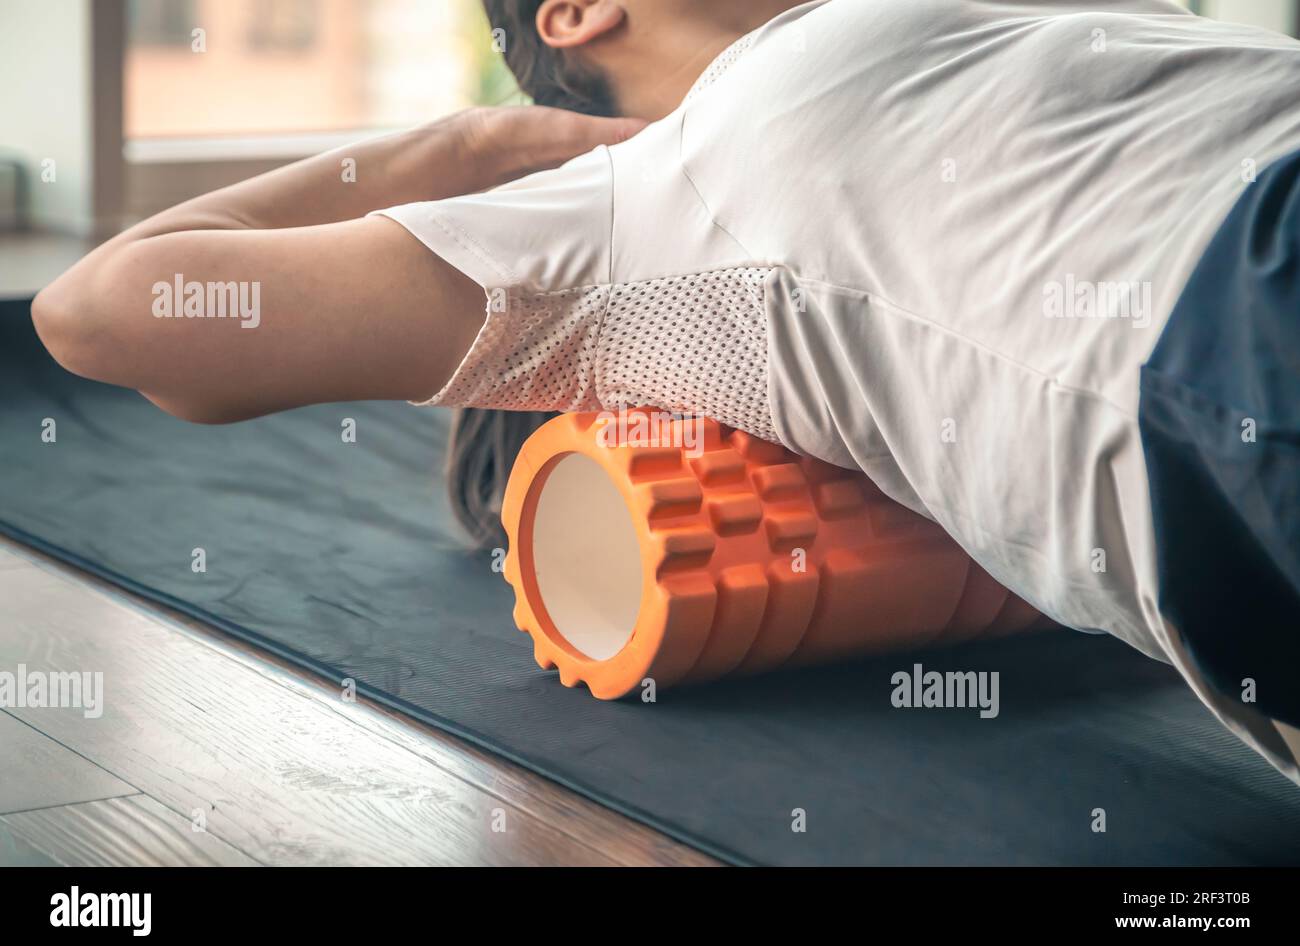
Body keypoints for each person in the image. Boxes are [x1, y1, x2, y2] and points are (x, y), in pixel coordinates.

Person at [31, 0, 1300, 781]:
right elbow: (104, 314)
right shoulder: (645, 195)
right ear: (578, 11)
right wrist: (462, 145)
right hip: (1243, 322)